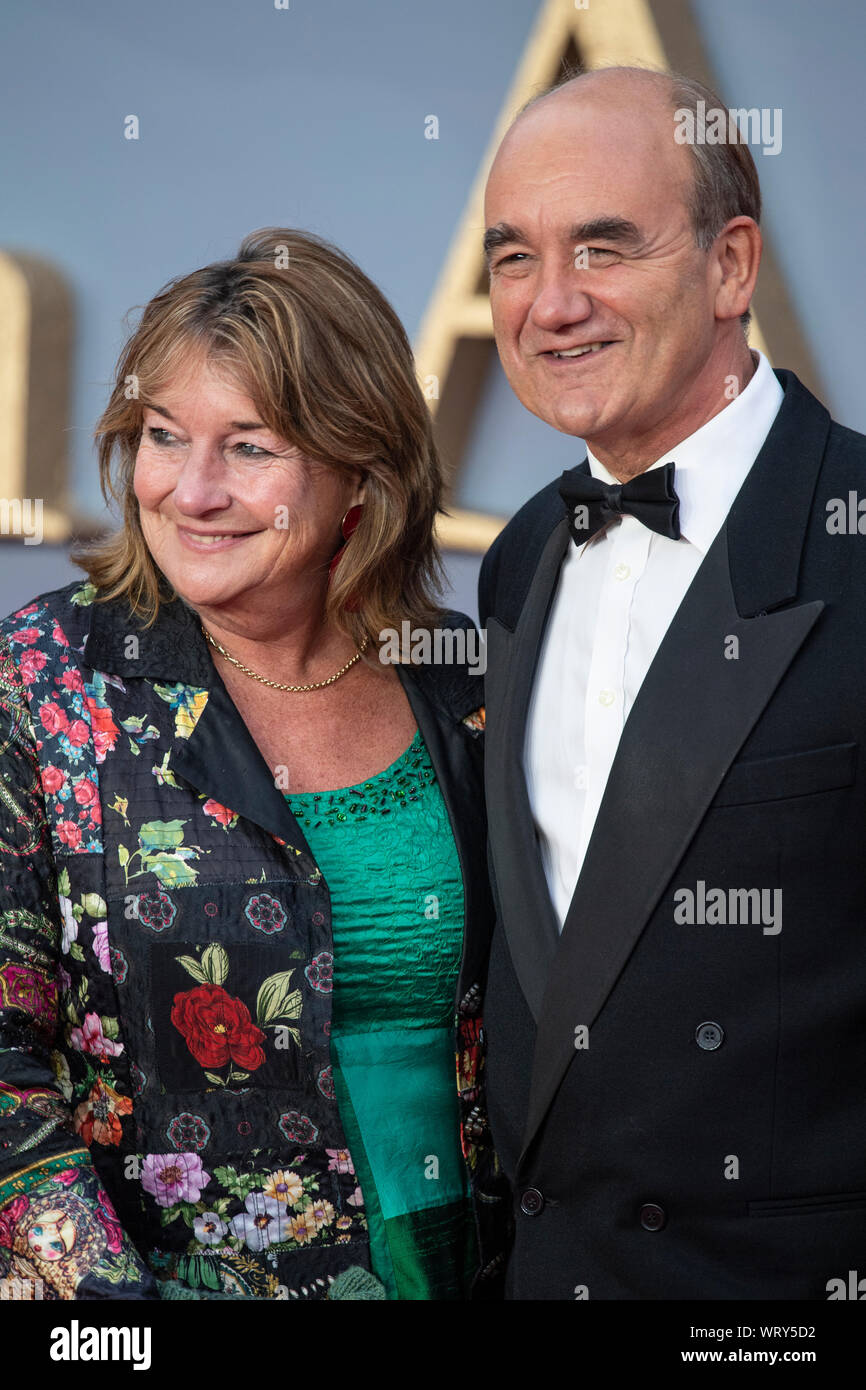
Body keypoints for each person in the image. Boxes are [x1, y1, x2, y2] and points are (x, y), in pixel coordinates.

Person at [0, 227, 507, 1301]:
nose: (190, 491)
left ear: (360, 471)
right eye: (163, 435)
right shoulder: (43, 682)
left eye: (249, 447)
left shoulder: (463, 688)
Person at [478, 65, 866, 1299]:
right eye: (510, 258)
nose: (551, 304)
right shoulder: (520, 557)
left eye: (603, 245)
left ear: (729, 266)